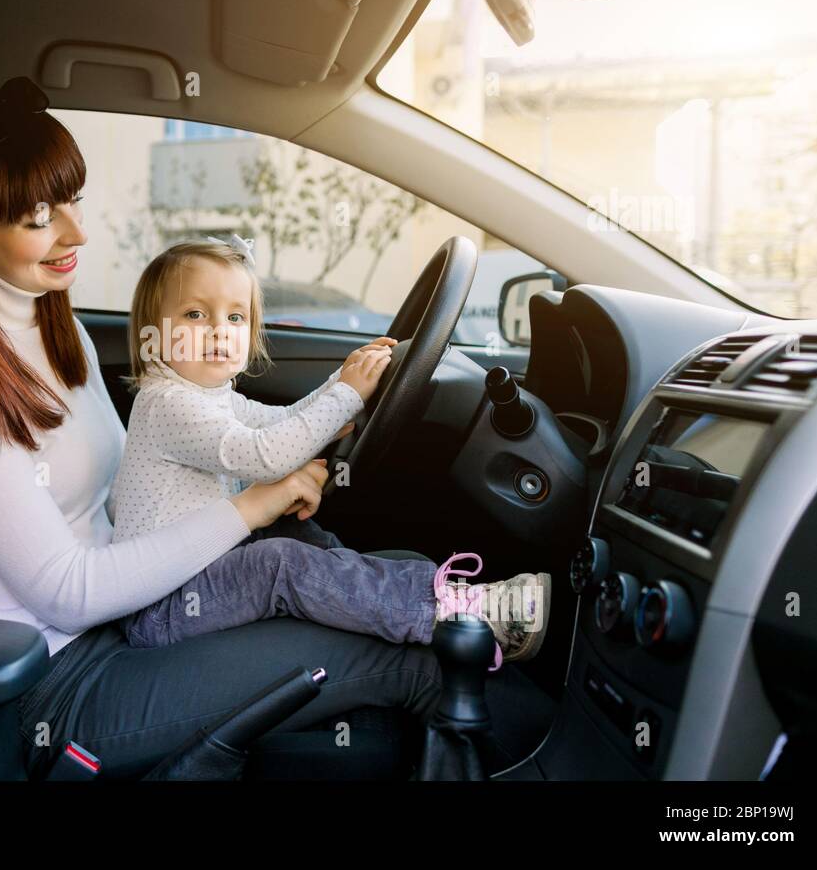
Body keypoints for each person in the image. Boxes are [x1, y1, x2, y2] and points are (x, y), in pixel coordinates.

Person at [0, 76, 526, 780]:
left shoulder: (53, 329)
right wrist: (251, 508)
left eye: (72, 200)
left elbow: (133, 483)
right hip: (58, 684)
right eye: (37, 218)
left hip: (132, 613)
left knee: (389, 574)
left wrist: (286, 460)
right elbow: (66, 593)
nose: (76, 232)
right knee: (416, 657)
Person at [111, 239, 552, 669]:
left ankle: (383, 593)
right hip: (163, 607)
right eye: (195, 314)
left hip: (202, 570)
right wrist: (346, 397)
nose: (219, 329)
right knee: (280, 564)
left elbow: (283, 419)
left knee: (291, 532)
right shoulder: (167, 404)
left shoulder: (209, 395)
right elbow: (265, 455)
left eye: (235, 317)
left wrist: (342, 381)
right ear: (154, 332)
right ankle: (454, 615)